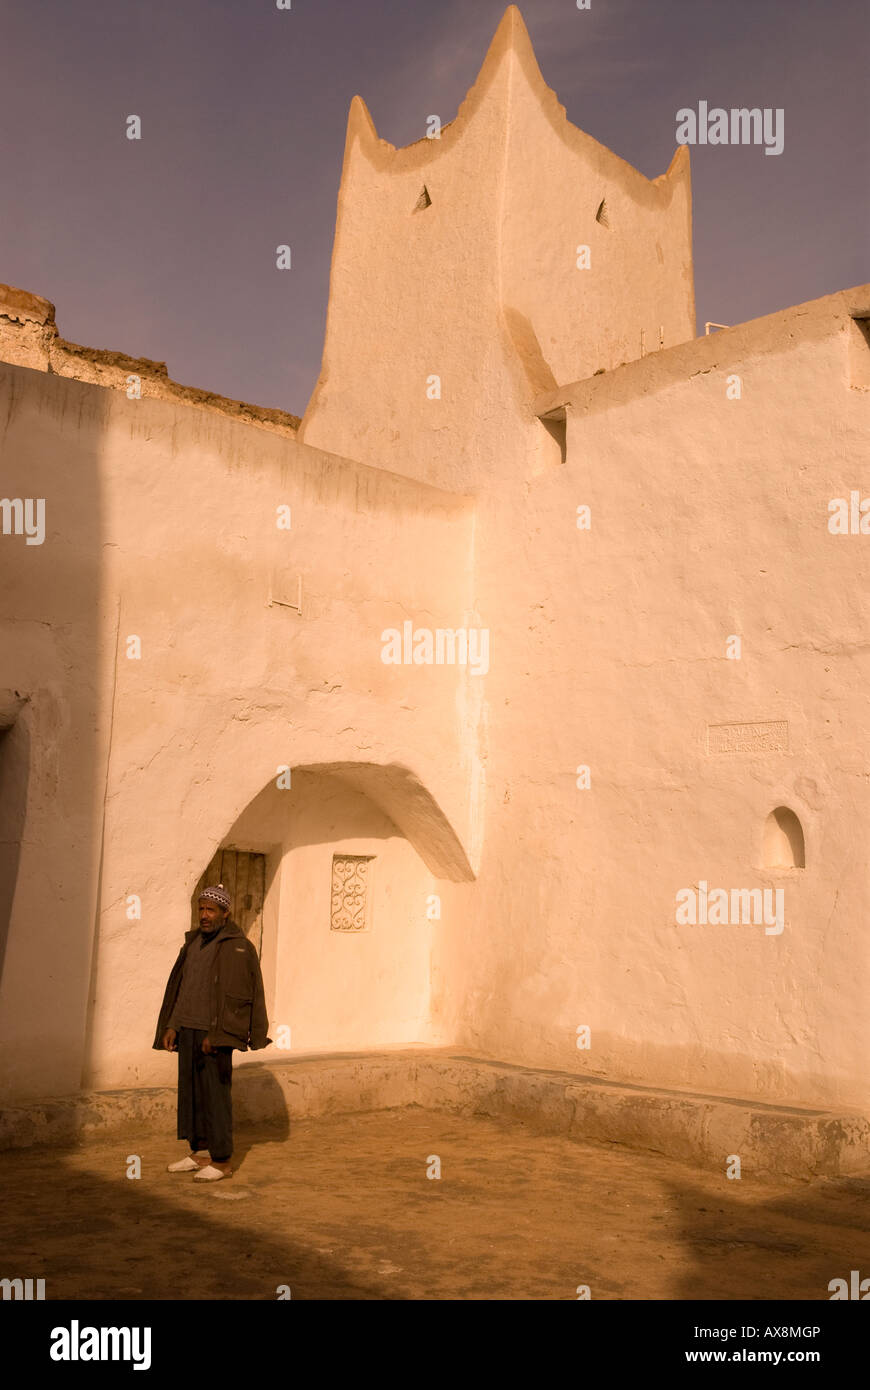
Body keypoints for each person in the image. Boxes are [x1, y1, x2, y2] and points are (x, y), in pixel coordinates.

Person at [153, 883, 271, 1181]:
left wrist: (220, 1035)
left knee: (216, 1098)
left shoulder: (237, 947)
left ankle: (222, 1161)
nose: (204, 915)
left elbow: (243, 996)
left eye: (211, 910)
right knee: (192, 1097)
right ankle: (200, 1152)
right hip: (188, 1030)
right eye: (201, 909)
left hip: (213, 1036)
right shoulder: (193, 944)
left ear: (225, 913)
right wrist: (172, 1025)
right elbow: (184, 989)